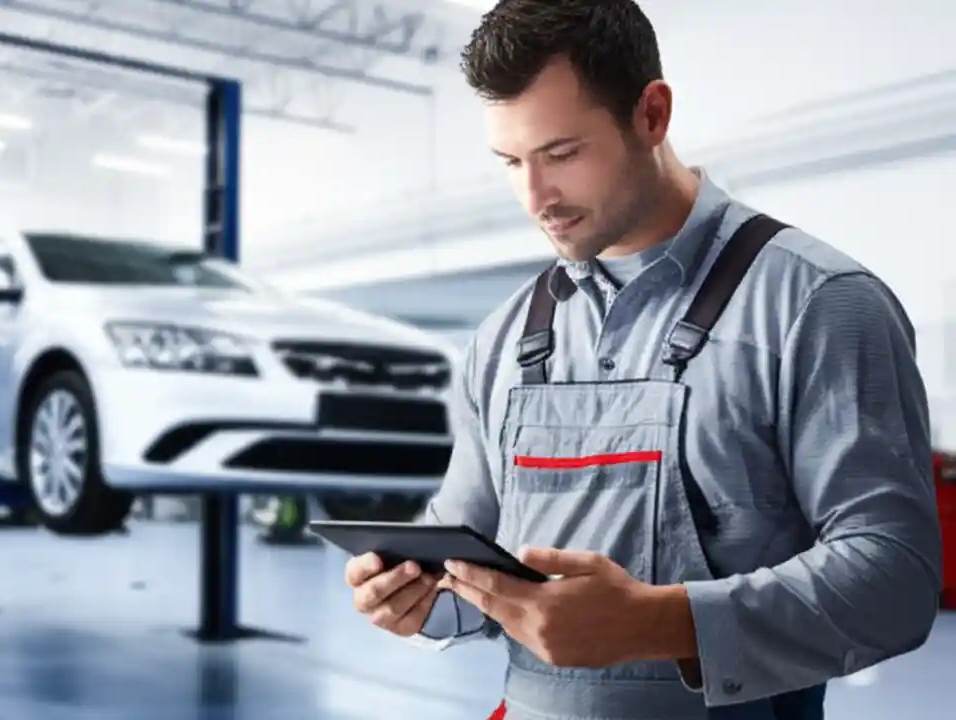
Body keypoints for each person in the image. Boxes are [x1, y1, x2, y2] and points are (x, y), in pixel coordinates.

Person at [342, 1, 944, 719]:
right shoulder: (503, 339)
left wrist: (660, 624)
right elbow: (465, 565)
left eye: (562, 154)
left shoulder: (816, 304)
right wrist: (414, 601)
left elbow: (896, 578)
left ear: (652, 115)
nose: (536, 198)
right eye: (512, 163)